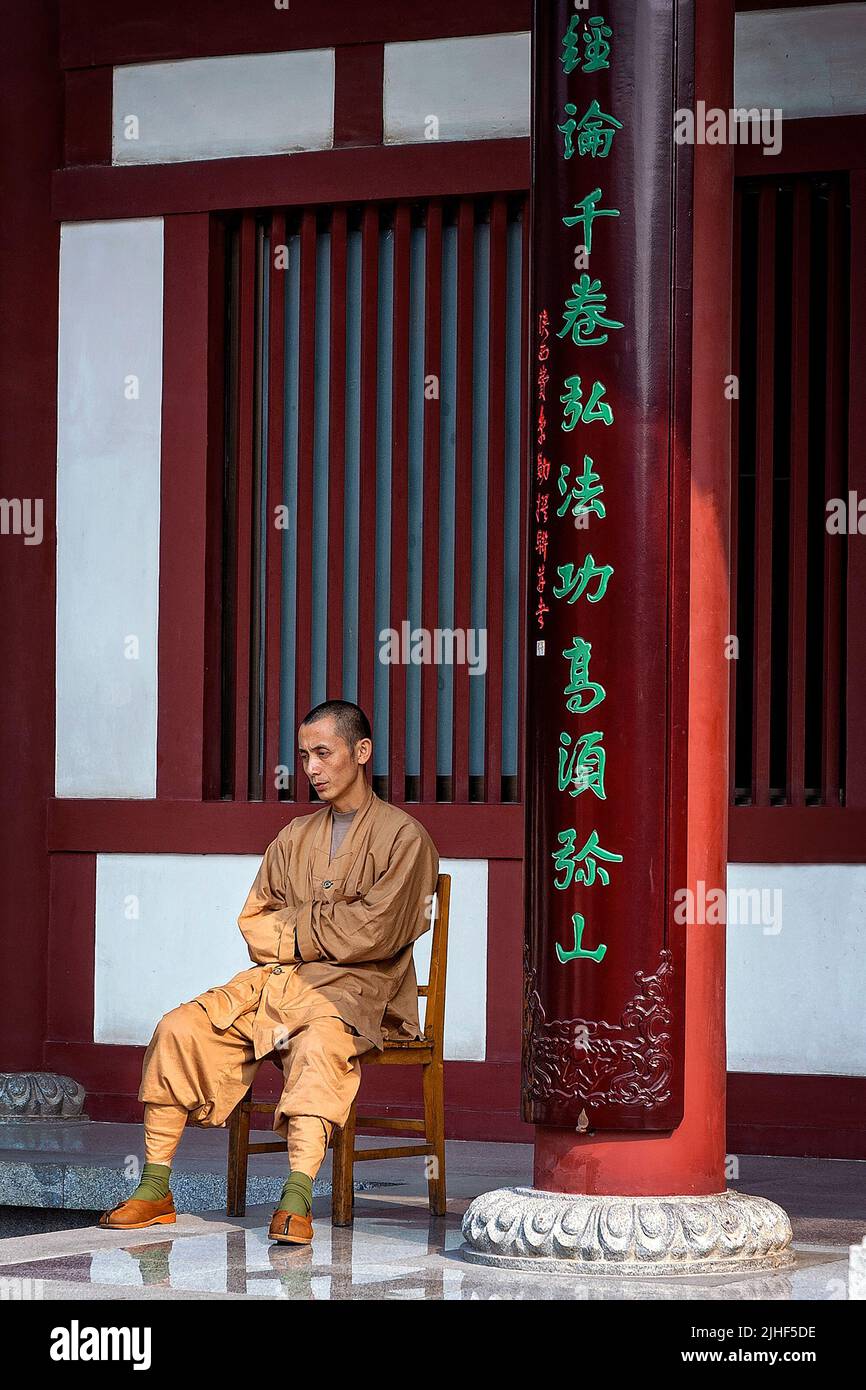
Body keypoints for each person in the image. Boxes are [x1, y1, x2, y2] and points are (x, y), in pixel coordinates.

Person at [97, 700, 439, 1244]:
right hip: (275, 988)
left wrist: (298, 930)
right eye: (304, 756)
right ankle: (156, 1187)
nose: (312, 769)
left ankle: (296, 1199)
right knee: (180, 1027)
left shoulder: (405, 838)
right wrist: (325, 930)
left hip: (353, 995)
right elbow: (254, 923)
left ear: (361, 752)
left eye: (323, 753)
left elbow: (377, 933)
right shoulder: (293, 836)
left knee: (317, 1049)